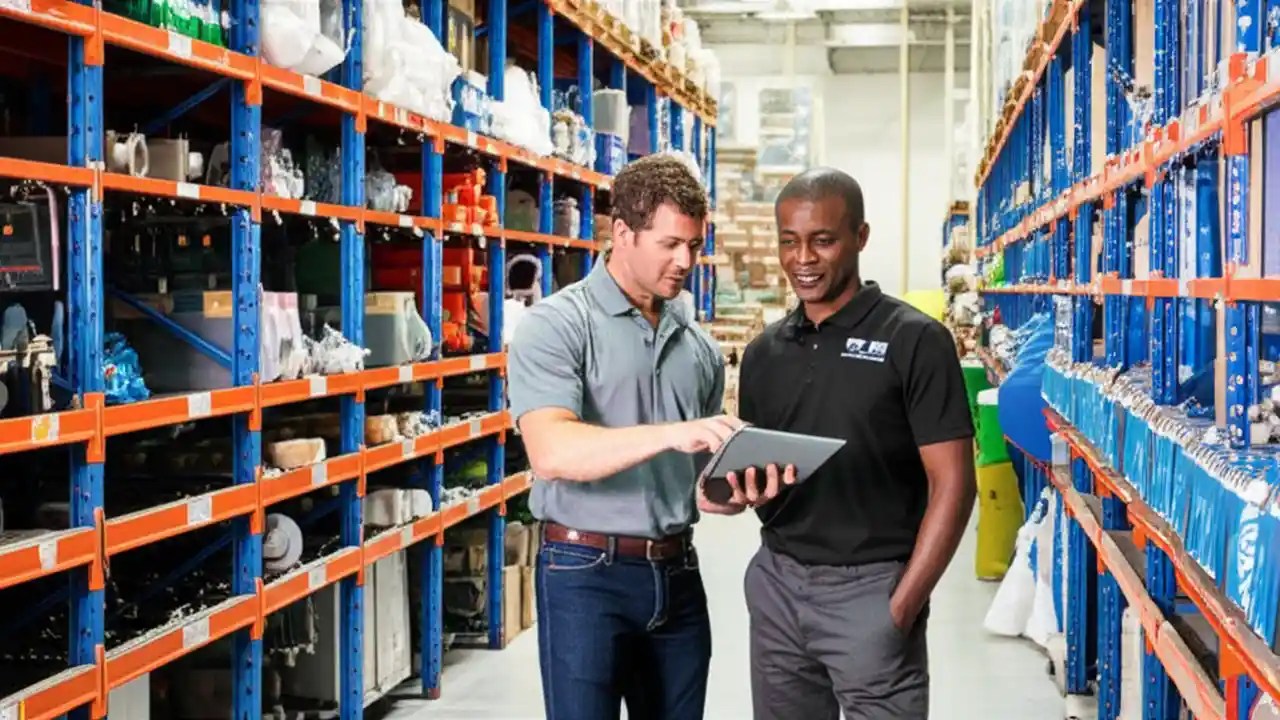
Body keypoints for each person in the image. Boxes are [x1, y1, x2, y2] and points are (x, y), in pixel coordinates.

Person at [506, 154, 786, 720]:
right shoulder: (558, 325)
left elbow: (699, 490)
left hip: (677, 573)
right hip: (585, 574)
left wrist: (743, 488)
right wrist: (672, 434)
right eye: (669, 244)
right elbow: (552, 452)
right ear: (623, 234)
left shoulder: (699, 348)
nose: (685, 261)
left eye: (694, 246)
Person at [699, 167, 977, 720]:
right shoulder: (763, 354)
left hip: (872, 589)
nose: (803, 258)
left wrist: (901, 607)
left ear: (860, 237)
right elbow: (758, 481)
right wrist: (726, 492)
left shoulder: (915, 340)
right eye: (789, 241)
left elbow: (955, 484)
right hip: (778, 587)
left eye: (823, 240)